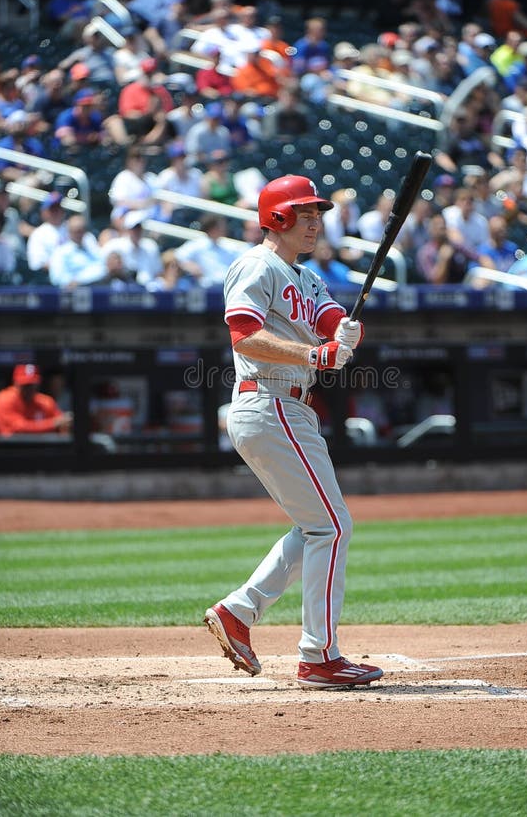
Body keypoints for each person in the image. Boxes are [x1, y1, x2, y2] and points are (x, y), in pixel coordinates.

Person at [203, 174, 383, 690]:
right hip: (268, 400)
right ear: (277, 217)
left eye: (318, 213)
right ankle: (318, 657)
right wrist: (313, 353)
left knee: (316, 526)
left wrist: (346, 333)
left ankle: (239, 612)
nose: (315, 222)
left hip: (293, 409)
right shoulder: (255, 265)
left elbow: (330, 325)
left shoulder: (306, 277)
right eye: (305, 213)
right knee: (331, 526)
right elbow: (246, 335)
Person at [0, 363, 73, 436]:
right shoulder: (4, 399)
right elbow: (18, 429)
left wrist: (67, 423)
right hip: (9, 448)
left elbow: (62, 423)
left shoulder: (45, 402)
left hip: (42, 448)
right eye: (25, 385)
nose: (29, 389)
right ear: (15, 383)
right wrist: (53, 423)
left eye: (32, 384)